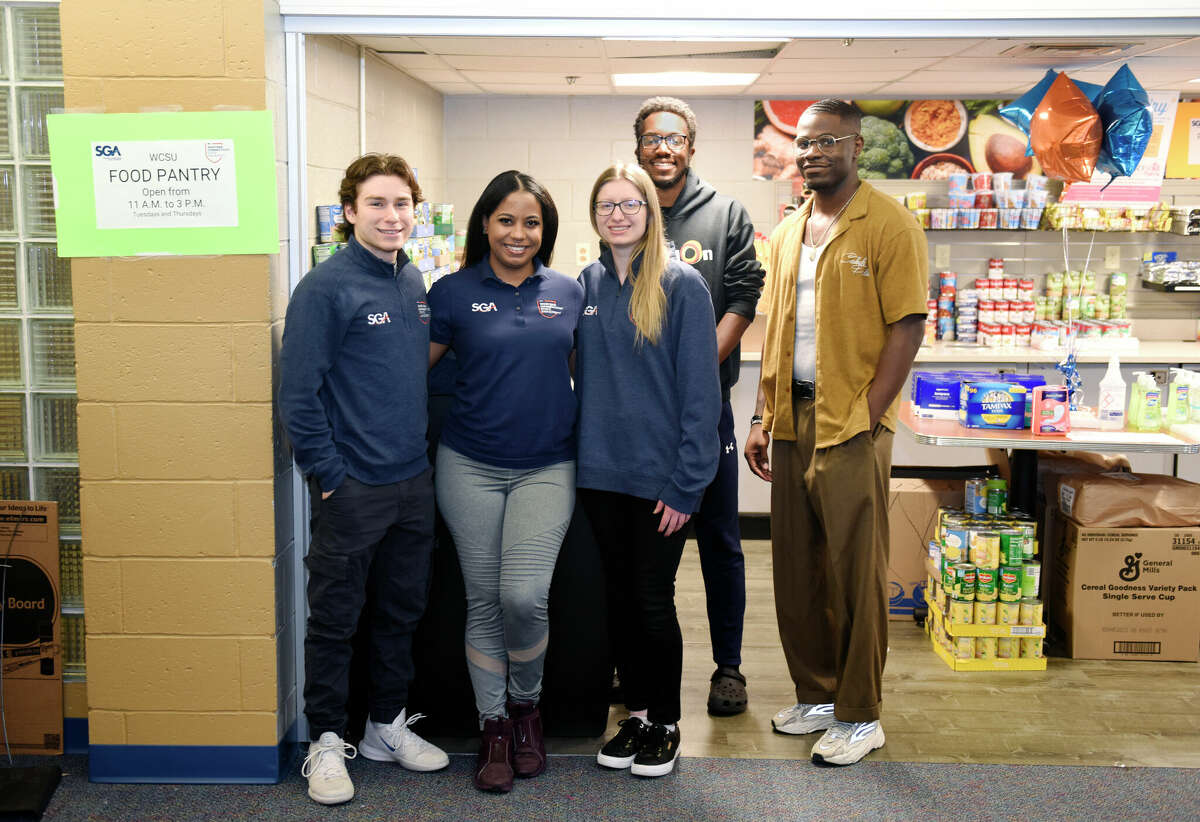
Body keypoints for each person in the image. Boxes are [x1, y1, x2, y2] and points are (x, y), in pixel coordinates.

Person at [744, 99, 928, 767]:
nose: (812, 153)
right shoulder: (790, 229)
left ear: (856, 146)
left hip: (851, 424)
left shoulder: (890, 224)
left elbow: (908, 325)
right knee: (798, 571)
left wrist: (868, 415)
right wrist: (763, 416)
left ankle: (860, 713)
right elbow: (777, 333)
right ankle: (818, 695)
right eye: (804, 142)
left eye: (827, 141)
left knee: (855, 573)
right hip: (793, 422)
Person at [278, 153, 449, 806]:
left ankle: (384, 726)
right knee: (336, 619)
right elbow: (299, 396)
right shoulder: (325, 288)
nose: (391, 215)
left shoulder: (412, 280)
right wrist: (329, 476)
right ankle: (326, 740)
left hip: (412, 482)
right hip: (353, 489)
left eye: (402, 203)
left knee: (401, 613)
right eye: (376, 203)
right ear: (349, 211)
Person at [428, 170, 582, 793]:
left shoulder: (568, 292)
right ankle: (494, 726)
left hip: (547, 466)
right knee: (484, 600)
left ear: (546, 229)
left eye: (532, 222)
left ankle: (527, 708)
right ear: (485, 225)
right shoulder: (451, 292)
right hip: (468, 465)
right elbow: (405, 373)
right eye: (506, 220)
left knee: (524, 597)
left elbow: (591, 377)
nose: (519, 233)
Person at [576, 162, 720, 778]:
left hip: (662, 482)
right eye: (606, 205)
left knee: (651, 601)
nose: (618, 215)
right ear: (594, 215)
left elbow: (702, 395)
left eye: (629, 204)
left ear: (650, 211)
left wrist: (687, 485)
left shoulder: (682, 285)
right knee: (616, 602)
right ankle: (635, 715)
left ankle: (665, 722)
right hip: (597, 477)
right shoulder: (585, 284)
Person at [633, 96, 764, 716]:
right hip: (639, 417)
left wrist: (692, 373)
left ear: (690, 146)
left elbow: (743, 298)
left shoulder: (724, 214)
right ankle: (631, 663)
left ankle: (728, 668)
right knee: (638, 546)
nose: (664, 147)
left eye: (675, 138)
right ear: (639, 148)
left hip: (707, 410)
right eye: (653, 138)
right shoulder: (626, 209)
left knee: (719, 542)